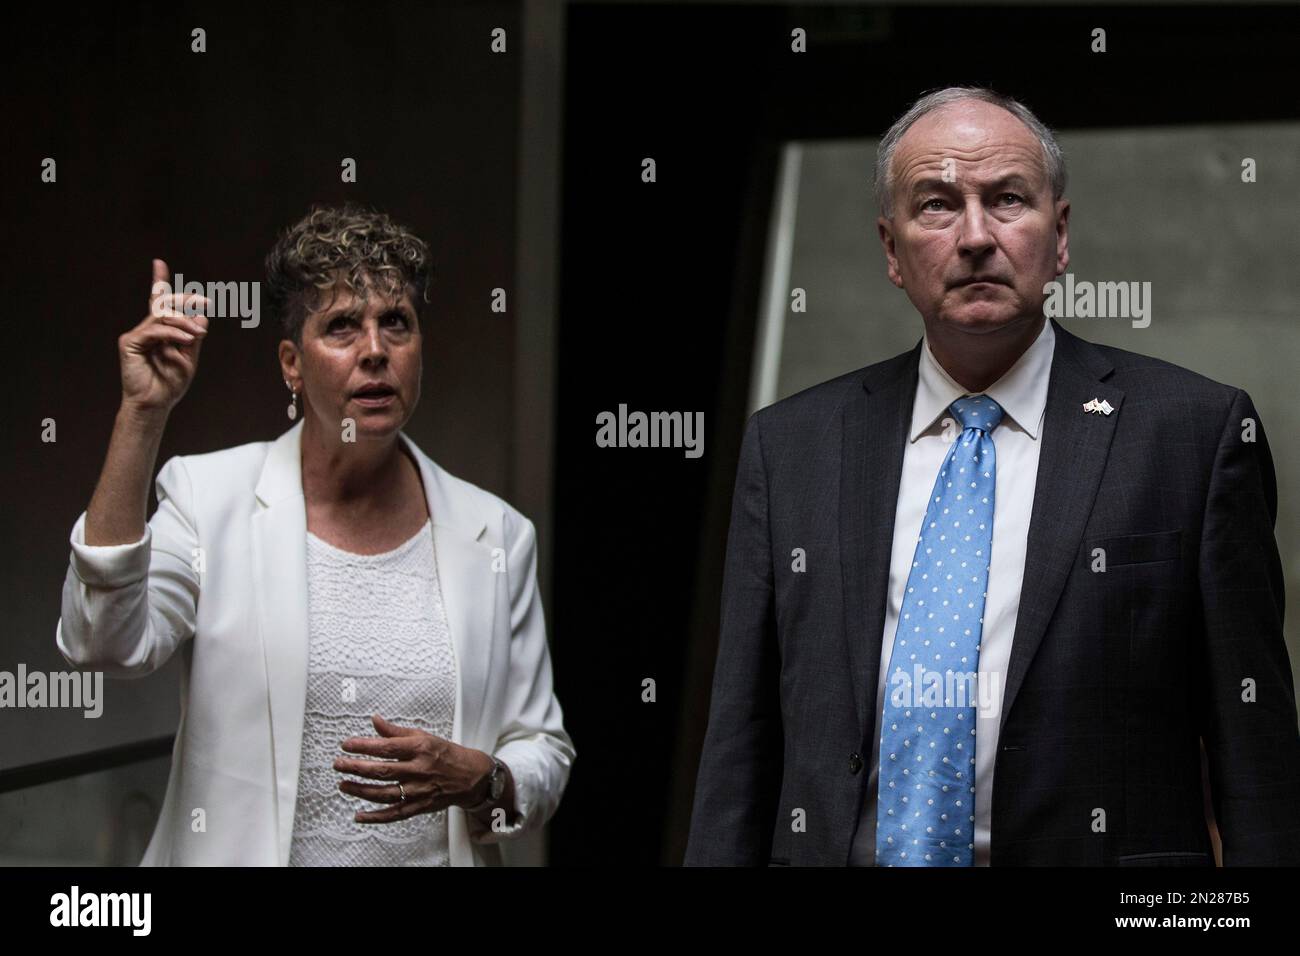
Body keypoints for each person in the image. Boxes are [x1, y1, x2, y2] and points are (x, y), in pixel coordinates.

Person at [684, 87, 1300, 866]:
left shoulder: (1193, 434)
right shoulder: (792, 447)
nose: (976, 236)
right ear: (890, 250)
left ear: (1061, 235)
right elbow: (740, 740)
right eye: (937, 206)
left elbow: (1258, 757)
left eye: (1007, 199)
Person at [57, 204, 574, 865]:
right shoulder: (210, 499)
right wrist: (142, 417)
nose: (376, 350)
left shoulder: (496, 534)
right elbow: (103, 644)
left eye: (396, 323)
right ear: (292, 366)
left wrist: (483, 780)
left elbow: (542, 749)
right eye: (341, 327)